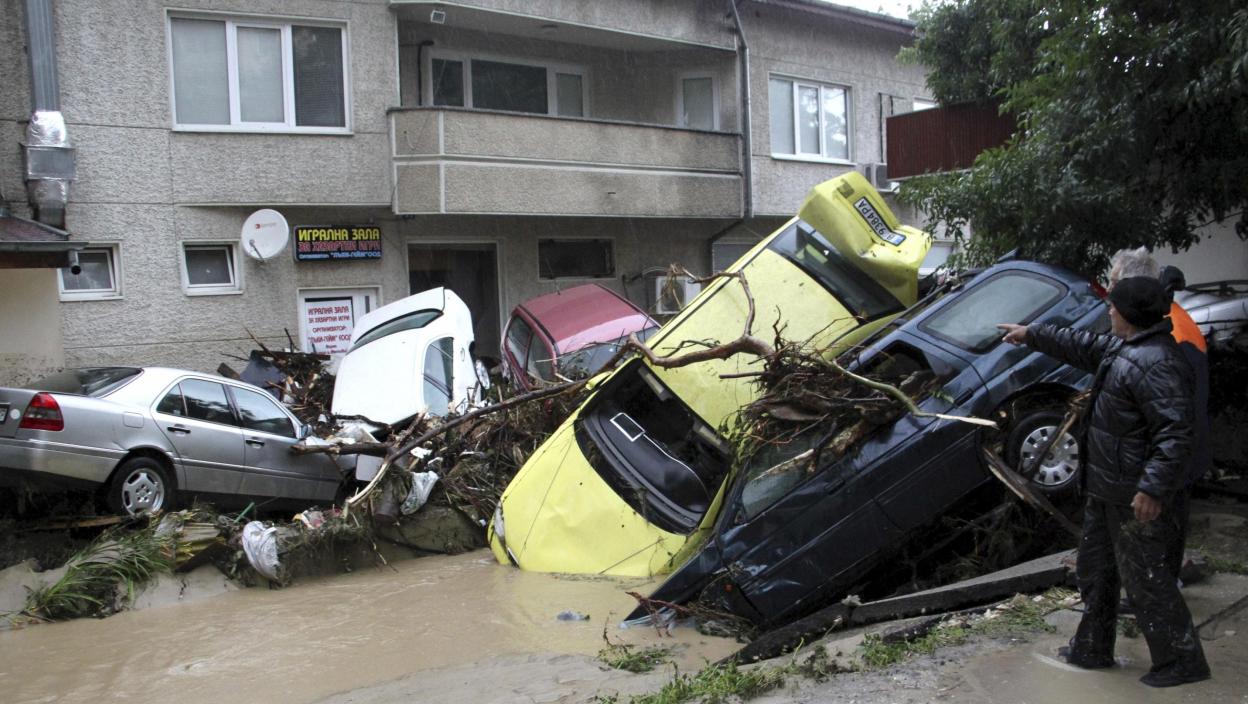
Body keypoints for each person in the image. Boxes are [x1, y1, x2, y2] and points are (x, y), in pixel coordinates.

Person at [998, 276, 1211, 688]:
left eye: (1114, 307)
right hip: (1105, 488)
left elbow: (1175, 433)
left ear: (1130, 314)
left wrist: (1152, 488)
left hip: (1132, 494)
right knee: (1095, 571)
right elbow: (1080, 345)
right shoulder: (1126, 346)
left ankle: (1182, 660)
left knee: (1147, 580)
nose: (1108, 311)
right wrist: (1031, 335)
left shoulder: (1158, 362)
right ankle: (1093, 646)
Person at [1108, 248, 1212, 577]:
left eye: (1113, 283)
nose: (1108, 293)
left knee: (1159, 540)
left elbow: (1175, 419)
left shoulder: (1171, 337)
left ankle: (1164, 596)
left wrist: (1155, 480)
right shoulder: (1164, 324)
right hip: (1171, 461)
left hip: (1169, 462)